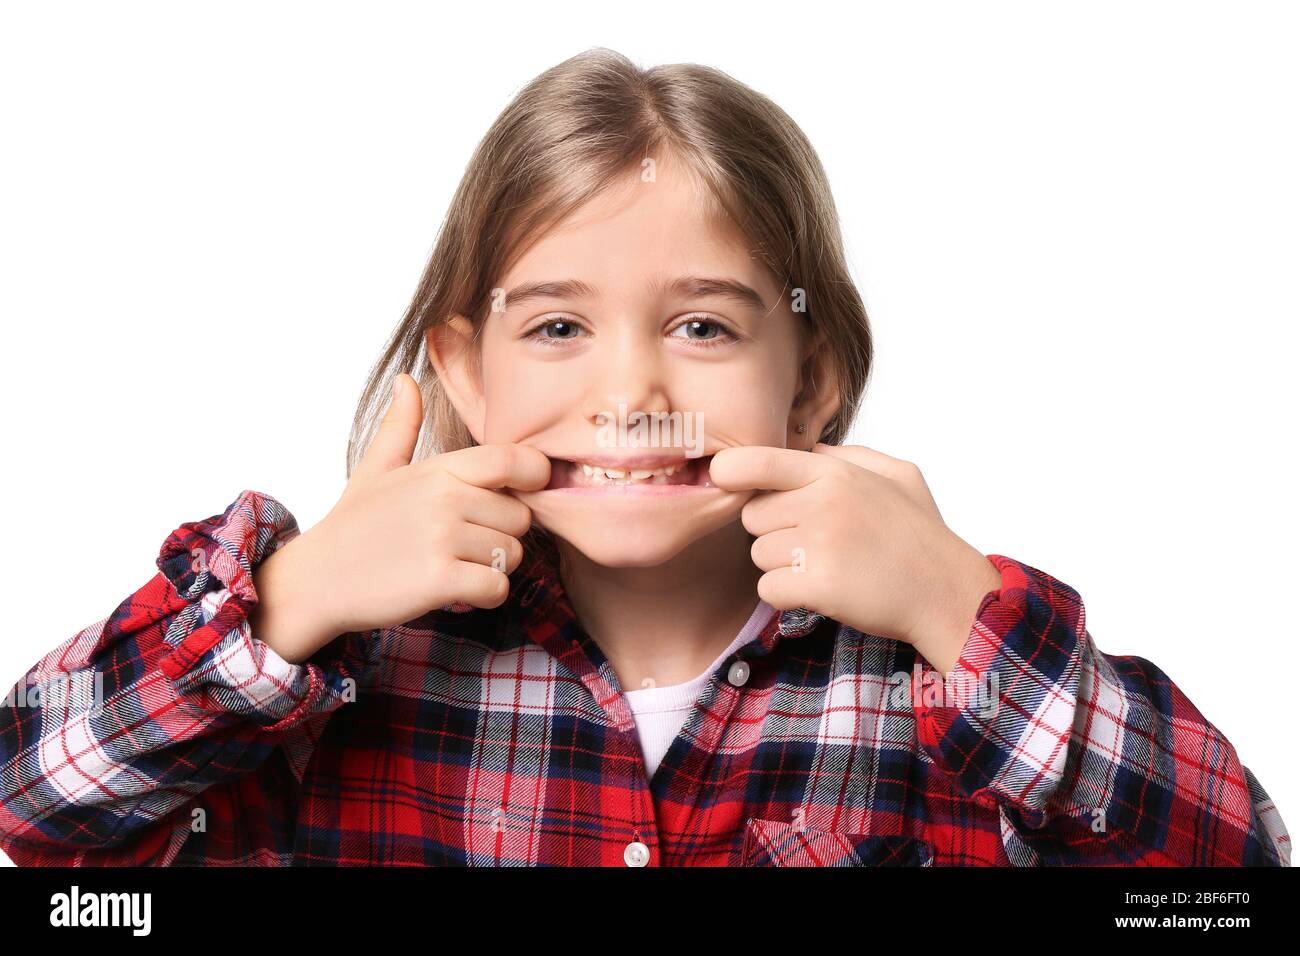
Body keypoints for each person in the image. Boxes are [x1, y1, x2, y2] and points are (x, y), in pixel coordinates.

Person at [0, 48, 1288, 867]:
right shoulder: (327, 669)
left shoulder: (931, 679)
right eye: (558, 326)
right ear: (463, 371)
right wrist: (290, 606)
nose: (631, 393)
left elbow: (1230, 876)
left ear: (812, 381)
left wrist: (960, 610)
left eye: (703, 325)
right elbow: (36, 820)